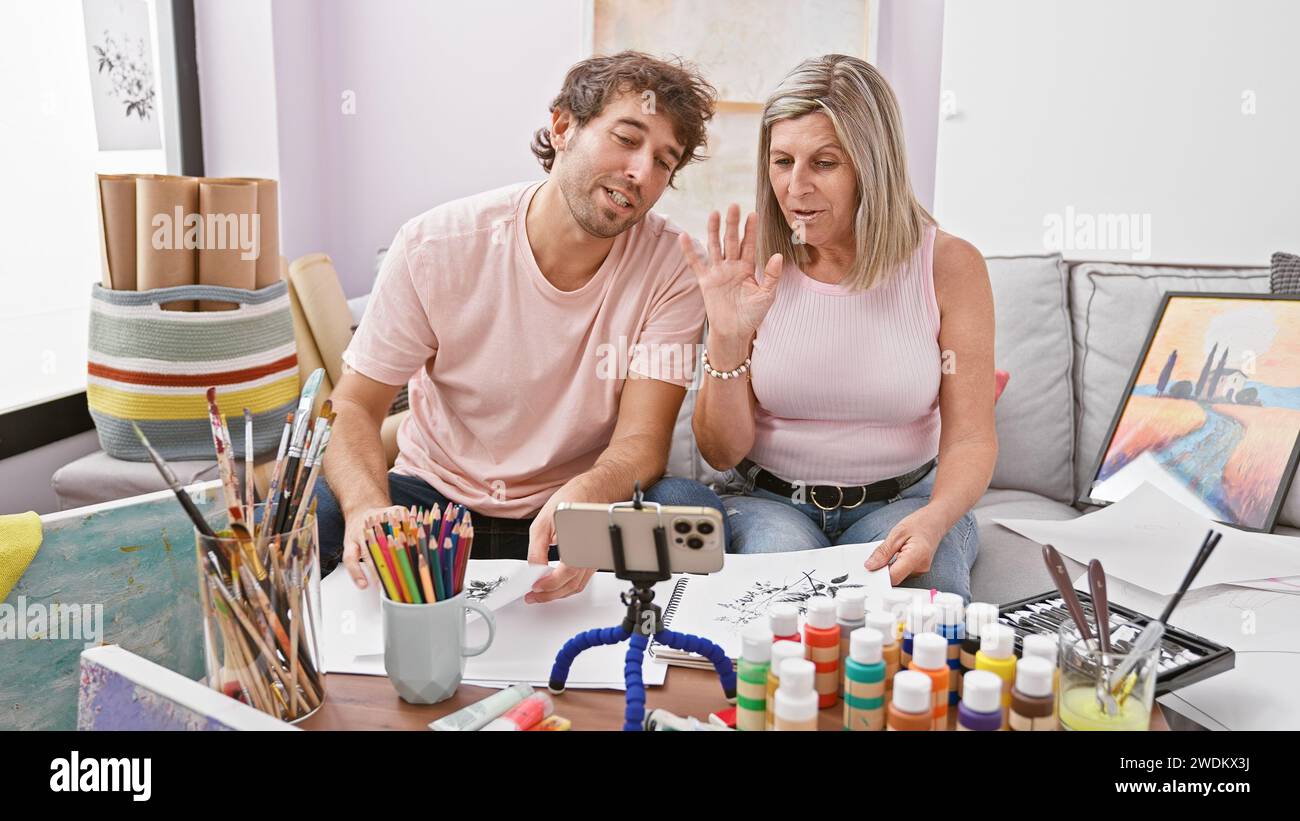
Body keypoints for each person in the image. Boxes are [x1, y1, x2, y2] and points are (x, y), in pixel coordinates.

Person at [319, 51, 723, 604]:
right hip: (434, 506)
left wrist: (589, 495)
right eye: (627, 140)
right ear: (562, 127)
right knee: (315, 510)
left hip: (573, 513)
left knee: (692, 521)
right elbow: (353, 407)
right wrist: (366, 504)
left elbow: (641, 444)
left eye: (664, 162)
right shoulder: (435, 246)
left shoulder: (674, 267)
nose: (641, 173)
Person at [681, 55, 997, 603]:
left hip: (906, 501)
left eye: (824, 163)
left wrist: (937, 518)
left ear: (872, 168)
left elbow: (971, 435)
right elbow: (721, 453)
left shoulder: (949, 266)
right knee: (774, 608)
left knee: (920, 619)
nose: (795, 187)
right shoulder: (750, 265)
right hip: (768, 500)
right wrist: (728, 339)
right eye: (782, 161)